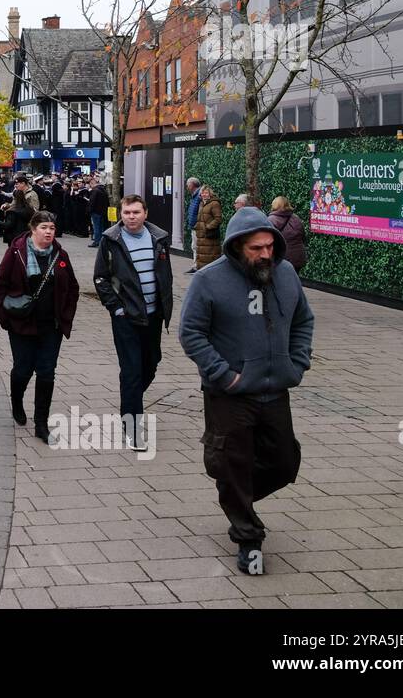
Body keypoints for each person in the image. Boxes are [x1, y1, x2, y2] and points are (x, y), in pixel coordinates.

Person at [179, 207, 313, 576]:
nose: (265, 254)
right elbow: (190, 333)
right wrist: (225, 375)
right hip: (230, 394)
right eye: (257, 248)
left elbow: (304, 319)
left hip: (276, 390)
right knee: (235, 463)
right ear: (237, 246)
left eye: (270, 246)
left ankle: (230, 489)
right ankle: (248, 538)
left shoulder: (285, 275)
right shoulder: (209, 280)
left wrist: (297, 362)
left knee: (285, 462)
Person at [93, 194, 174, 451]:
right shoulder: (111, 240)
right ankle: (133, 428)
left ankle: (130, 402)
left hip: (153, 315)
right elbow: (100, 278)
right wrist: (116, 308)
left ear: (145, 213)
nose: (131, 217)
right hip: (126, 317)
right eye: (127, 212)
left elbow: (165, 273)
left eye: (136, 212)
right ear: (121, 214)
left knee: (151, 364)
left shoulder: (159, 238)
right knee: (131, 371)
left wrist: (164, 304)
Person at [0, 210, 78, 441]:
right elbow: (0, 284)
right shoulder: (16, 252)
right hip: (21, 324)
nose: (49, 232)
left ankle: (41, 423)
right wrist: (4, 317)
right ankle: (17, 401)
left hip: (51, 326)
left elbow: (72, 287)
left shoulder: (60, 255)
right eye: (44, 228)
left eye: (52, 228)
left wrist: (65, 316)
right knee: (23, 369)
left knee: (47, 373)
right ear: (33, 229)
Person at [267, 196, 307, 273]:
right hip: (298, 257)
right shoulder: (296, 218)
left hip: (282, 258)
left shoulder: (271, 220)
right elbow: (303, 237)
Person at [194, 186, 223, 269]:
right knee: (202, 258)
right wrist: (197, 227)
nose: (204, 194)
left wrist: (208, 227)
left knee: (209, 259)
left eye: (206, 193)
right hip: (201, 237)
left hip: (210, 236)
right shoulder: (202, 203)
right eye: (202, 193)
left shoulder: (214, 203)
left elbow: (218, 219)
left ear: (210, 193)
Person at [184, 177, 202, 271]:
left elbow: (202, 212)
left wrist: (197, 224)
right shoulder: (195, 195)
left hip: (197, 227)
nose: (187, 187)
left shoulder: (199, 195)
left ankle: (197, 267)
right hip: (194, 226)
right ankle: (196, 266)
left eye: (188, 185)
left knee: (197, 247)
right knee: (194, 246)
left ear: (192, 185)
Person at [88, 177, 110, 247]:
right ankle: (102, 242)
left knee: (96, 227)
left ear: (92, 184)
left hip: (95, 212)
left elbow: (92, 202)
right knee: (102, 227)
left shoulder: (95, 191)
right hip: (103, 212)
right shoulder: (104, 191)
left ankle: (96, 241)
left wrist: (89, 210)